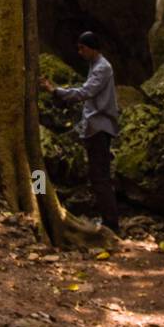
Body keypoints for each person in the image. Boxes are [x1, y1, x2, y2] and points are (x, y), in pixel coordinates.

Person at [40, 31, 121, 235]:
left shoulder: (102, 68)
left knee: (100, 177)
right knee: (97, 176)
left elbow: (85, 93)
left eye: (82, 48)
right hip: (94, 128)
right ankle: (107, 219)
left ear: (92, 47)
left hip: (100, 129)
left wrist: (55, 91)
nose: (80, 52)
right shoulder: (96, 66)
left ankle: (111, 224)